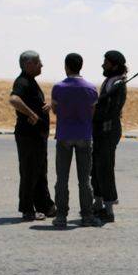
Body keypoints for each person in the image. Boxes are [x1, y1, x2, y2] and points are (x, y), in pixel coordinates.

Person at [50, 53, 101, 228]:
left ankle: (61, 216)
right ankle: (87, 215)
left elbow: (55, 110)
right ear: (81, 66)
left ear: (66, 66)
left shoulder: (58, 87)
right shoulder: (91, 88)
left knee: (62, 178)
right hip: (84, 135)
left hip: (64, 134)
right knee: (84, 179)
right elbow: (92, 113)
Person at [8, 50, 55, 222]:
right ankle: (27, 210)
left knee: (40, 171)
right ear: (28, 65)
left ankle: (45, 206)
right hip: (28, 136)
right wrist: (31, 114)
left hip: (37, 136)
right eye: (38, 62)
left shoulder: (31, 82)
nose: (41, 65)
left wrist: (44, 108)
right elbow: (13, 100)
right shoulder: (22, 82)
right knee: (29, 171)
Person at [91, 50, 128, 224]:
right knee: (96, 167)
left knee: (105, 167)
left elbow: (110, 111)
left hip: (109, 129)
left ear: (114, 65)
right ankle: (97, 203)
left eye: (106, 62)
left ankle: (109, 209)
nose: (103, 65)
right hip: (100, 130)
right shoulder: (110, 81)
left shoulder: (119, 84)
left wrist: (94, 112)